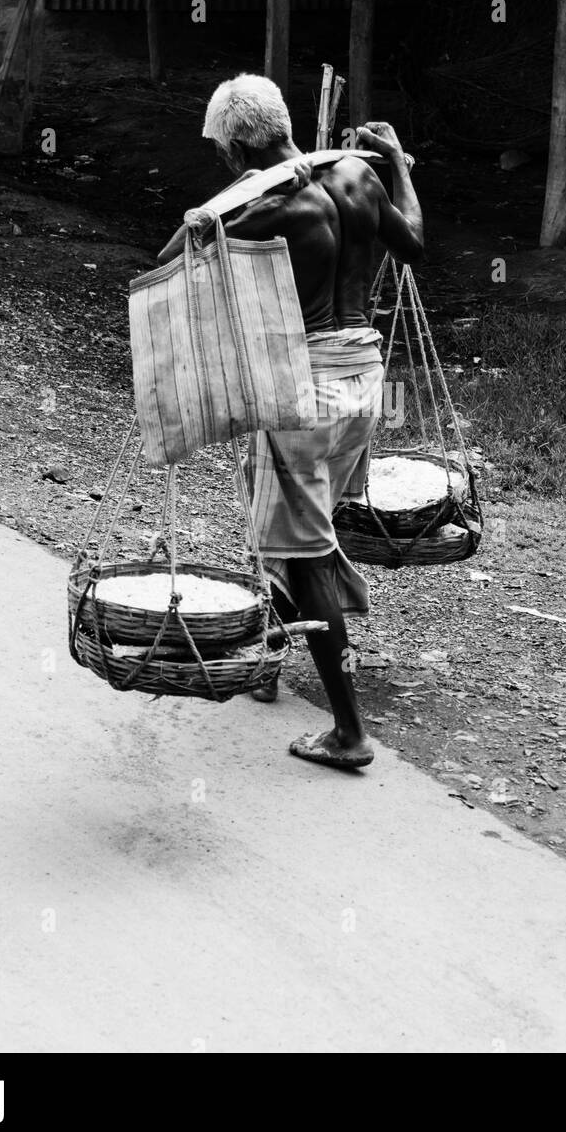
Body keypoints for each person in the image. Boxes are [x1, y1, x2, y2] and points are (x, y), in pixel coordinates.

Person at [160, 74, 423, 771]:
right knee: (297, 526)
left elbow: (170, 260)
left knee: (302, 548)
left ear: (240, 146)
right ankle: (271, 661)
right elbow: (415, 244)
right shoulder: (358, 180)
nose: (222, 161)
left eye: (222, 149)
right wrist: (395, 165)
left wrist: (207, 218)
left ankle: (347, 732)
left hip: (302, 391)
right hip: (363, 382)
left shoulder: (268, 203)